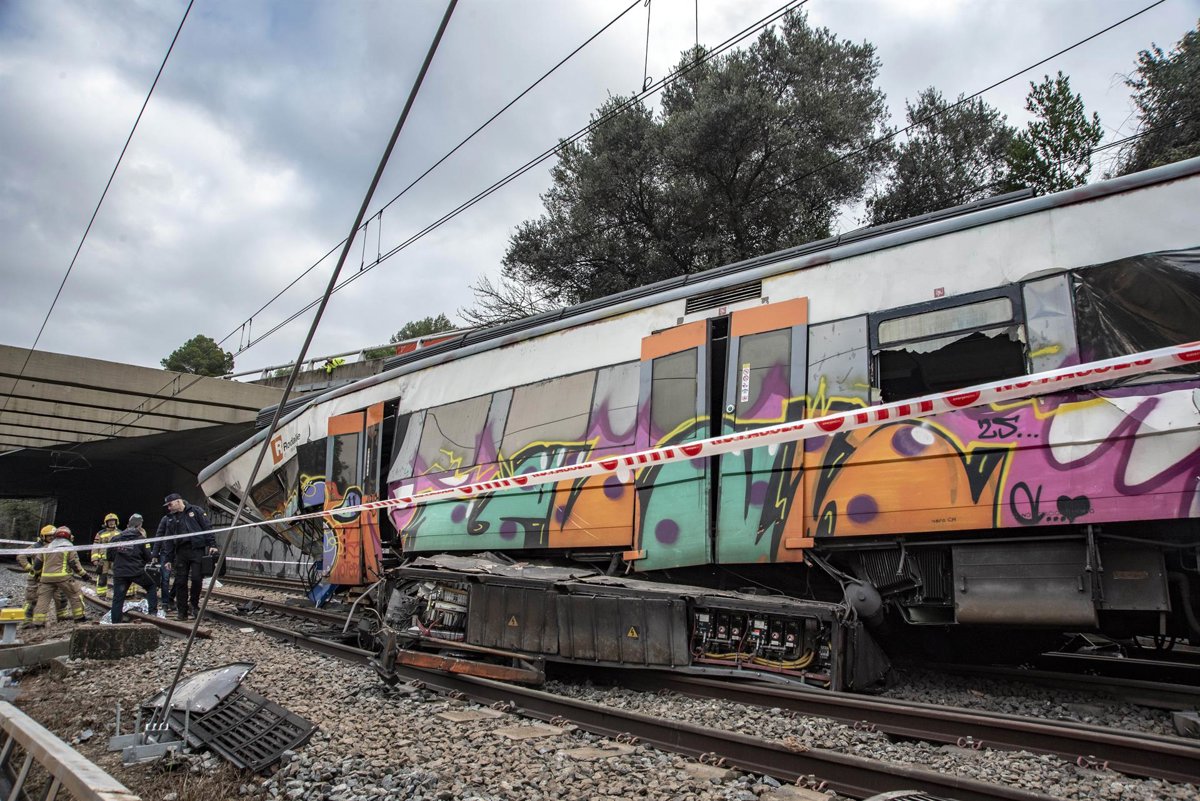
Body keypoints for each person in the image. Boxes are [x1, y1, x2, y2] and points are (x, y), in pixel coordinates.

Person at [158, 493, 217, 621]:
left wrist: (212, 544)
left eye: (170, 504)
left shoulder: (196, 511)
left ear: (178, 502)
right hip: (181, 551)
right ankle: (182, 611)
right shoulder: (170, 518)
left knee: (196, 578)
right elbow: (168, 540)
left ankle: (194, 604)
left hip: (196, 549)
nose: (169, 508)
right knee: (180, 582)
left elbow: (207, 527)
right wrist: (168, 558)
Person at [28, 527, 88, 627]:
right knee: (75, 595)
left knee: (43, 599)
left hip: (46, 579)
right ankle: (79, 618)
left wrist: (36, 575)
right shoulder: (69, 548)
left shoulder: (46, 548)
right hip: (63, 578)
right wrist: (84, 575)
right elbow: (75, 564)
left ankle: (38, 622)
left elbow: (37, 565)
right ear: (69, 537)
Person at [106, 517, 158, 624]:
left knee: (118, 599)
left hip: (120, 573)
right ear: (139, 526)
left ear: (128, 525)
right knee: (151, 586)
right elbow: (148, 557)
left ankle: (115, 623)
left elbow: (109, 556)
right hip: (136, 572)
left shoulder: (115, 539)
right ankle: (152, 613)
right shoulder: (141, 539)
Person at [16, 526, 55, 620]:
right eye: (49, 536)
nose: (52, 538)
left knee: (44, 600)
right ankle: (26, 621)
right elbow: (21, 556)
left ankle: (39, 620)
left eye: (53, 535)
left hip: (47, 577)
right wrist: (29, 568)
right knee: (32, 600)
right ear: (43, 536)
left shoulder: (55, 546)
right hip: (35, 577)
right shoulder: (36, 546)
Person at [91, 513, 120, 598]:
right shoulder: (100, 533)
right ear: (106, 522)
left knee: (119, 577)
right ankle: (101, 594)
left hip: (116, 559)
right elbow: (95, 546)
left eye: (113, 521)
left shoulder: (120, 533)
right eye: (109, 521)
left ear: (116, 522)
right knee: (102, 577)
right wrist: (95, 559)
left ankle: (118, 595)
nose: (111, 523)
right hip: (103, 560)